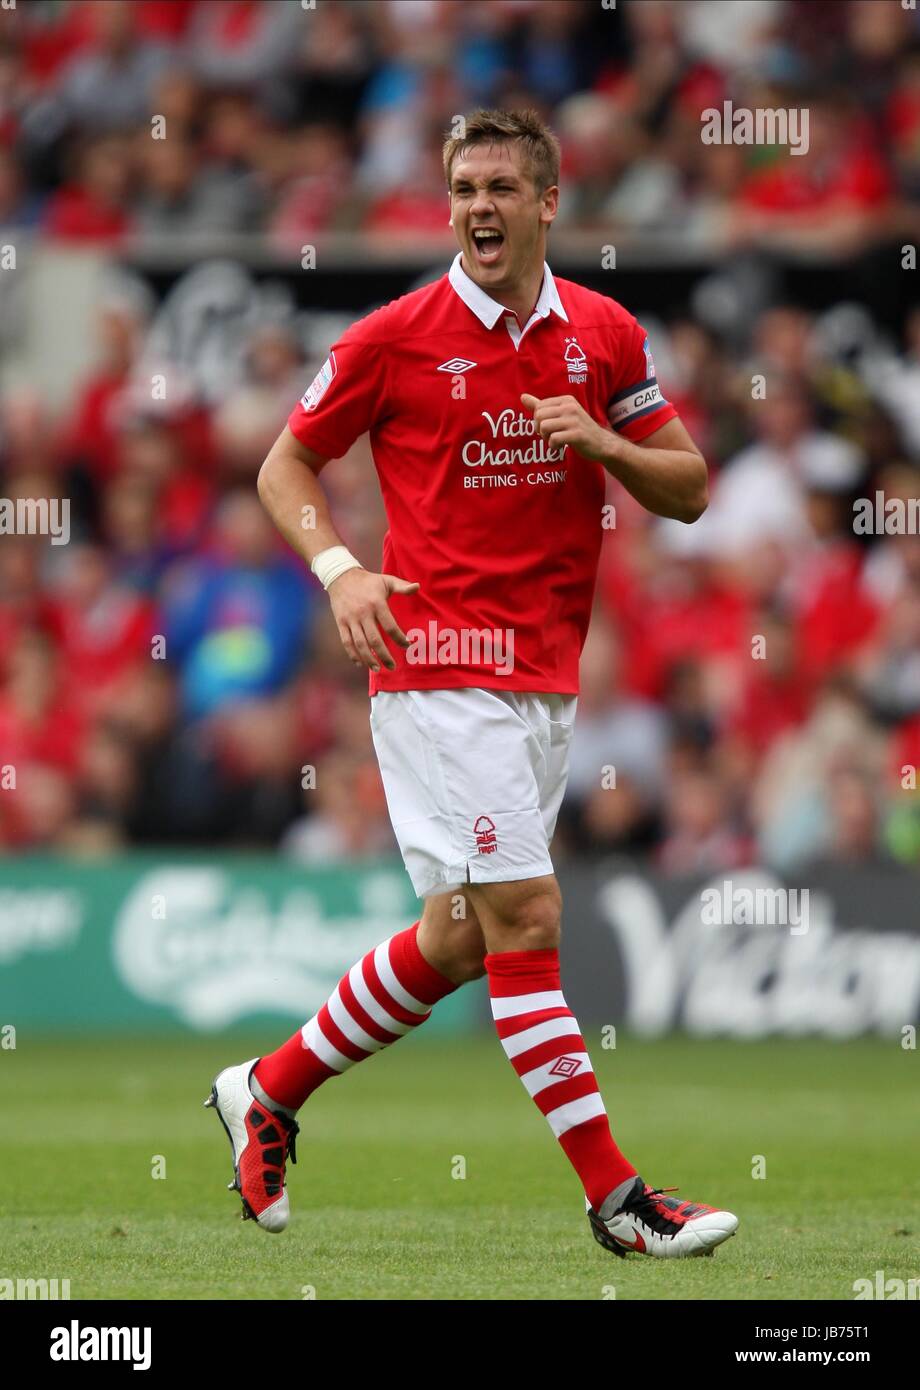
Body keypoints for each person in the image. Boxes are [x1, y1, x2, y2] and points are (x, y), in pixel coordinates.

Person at [205, 109, 738, 1260]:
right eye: (461, 188)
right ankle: (617, 1201)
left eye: (500, 185)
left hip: (542, 680)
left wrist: (603, 447)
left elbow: (690, 487)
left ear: (549, 203)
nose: (478, 206)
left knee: (454, 937)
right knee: (527, 917)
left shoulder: (603, 337)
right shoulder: (394, 336)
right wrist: (342, 568)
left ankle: (266, 1085)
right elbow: (282, 462)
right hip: (437, 669)